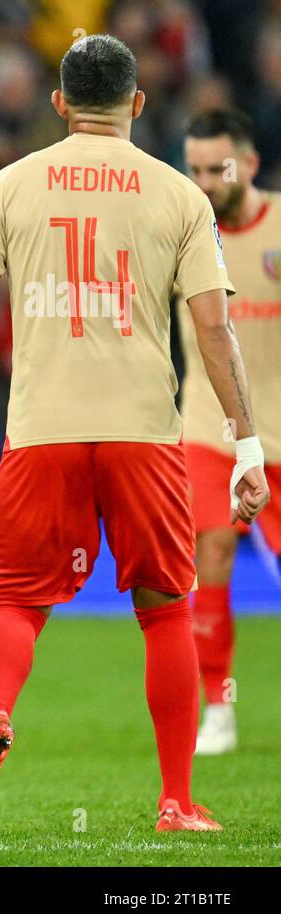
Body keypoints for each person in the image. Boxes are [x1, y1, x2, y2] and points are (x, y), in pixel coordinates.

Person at [0, 35, 270, 834]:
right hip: (143, 434)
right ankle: (177, 800)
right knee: (164, 611)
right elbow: (215, 335)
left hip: (41, 430)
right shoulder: (180, 195)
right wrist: (248, 445)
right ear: (139, 104)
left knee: (16, 603)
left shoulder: (11, 184)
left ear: (58, 104)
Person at [175, 108, 281, 755]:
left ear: (251, 164)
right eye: (194, 169)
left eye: (219, 168)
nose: (206, 180)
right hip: (210, 429)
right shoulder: (185, 230)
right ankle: (218, 707)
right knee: (210, 557)